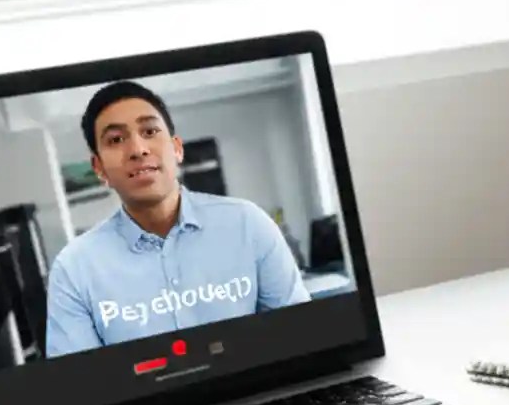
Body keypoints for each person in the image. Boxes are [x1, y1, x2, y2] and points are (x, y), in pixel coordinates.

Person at [44, 81, 311, 358]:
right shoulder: (73, 269)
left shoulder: (248, 224)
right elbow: (82, 386)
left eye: (149, 131)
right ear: (99, 169)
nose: (137, 149)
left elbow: (301, 337)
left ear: (177, 149)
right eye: (116, 140)